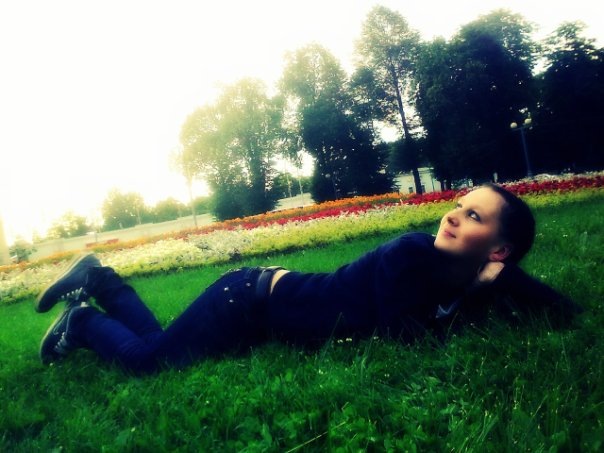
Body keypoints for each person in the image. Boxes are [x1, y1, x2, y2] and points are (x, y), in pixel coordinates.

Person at [34, 184, 580, 374]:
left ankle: (101, 282)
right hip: (244, 301)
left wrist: (499, 283)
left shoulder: (470, 273)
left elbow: (561, 310)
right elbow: (404, 336)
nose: (453, 215)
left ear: (499, 249)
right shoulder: (411, 255)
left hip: (256, 310)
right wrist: (480, 293)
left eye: (474, 215)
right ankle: (81, 321)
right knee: (149, 363)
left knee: (159, 344)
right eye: (458, 205)